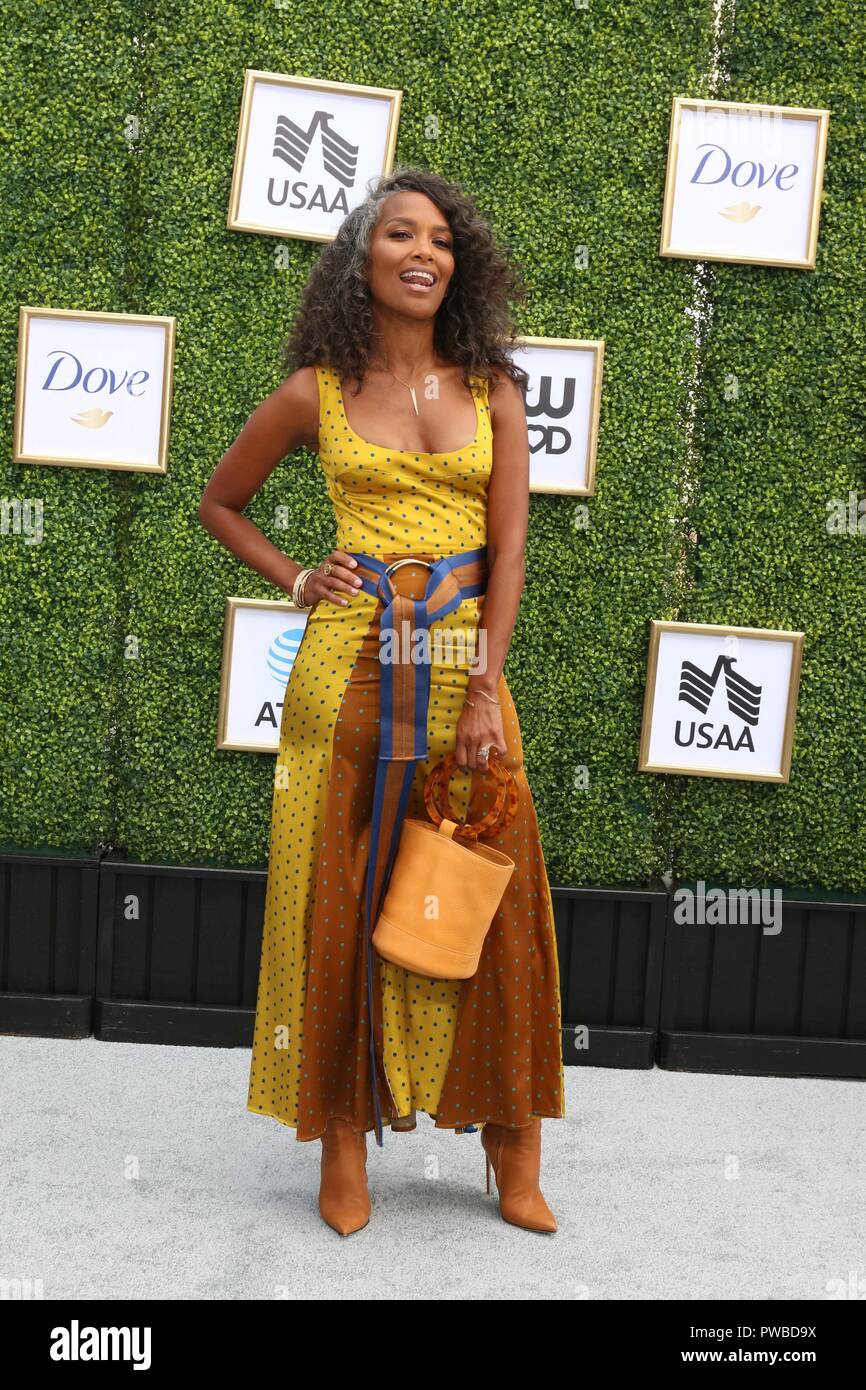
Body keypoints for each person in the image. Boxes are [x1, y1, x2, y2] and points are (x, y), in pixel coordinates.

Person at [198, 165, 565, 1237]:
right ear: (359, 257)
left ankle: (514, 1152)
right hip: (344, 668)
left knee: (493, 894)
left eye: (442, 239)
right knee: (338, 902)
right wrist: (297, 577)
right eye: (399, 233)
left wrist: (485, 684)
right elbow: (222, 501)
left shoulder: (492, 384)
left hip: (460, 660)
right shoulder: (315, 388)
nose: (424, 251)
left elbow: (508, 550)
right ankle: (343, 1148)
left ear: (460, 266)